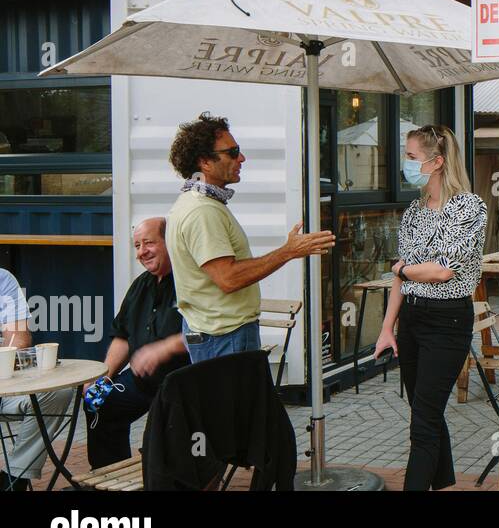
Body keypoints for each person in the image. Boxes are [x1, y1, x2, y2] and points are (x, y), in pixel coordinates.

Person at [165, 112, 335, 363]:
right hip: (225, 336)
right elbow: (228, 278)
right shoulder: (202, 210)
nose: (241, 158)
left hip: (218, 334)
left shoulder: (197, 202)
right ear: (205, 162)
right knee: (234, 403)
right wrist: (288, 251)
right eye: (232, 152)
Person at [375, 124, 486, 491]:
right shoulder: (414, 211)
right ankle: (443, 482)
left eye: (411, 157)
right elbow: (402, 279)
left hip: (448, 319)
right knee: (427, 413)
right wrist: (386, 328)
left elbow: (441, 271)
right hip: (411, 320)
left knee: (422, 421)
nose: (405, 164)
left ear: (436, 162)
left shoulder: (469, 208)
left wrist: (403, 268)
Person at [84, 218, 189, 469]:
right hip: (141, 380)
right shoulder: (141, 285)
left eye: (149, 243)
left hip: (180, 383)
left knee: (157, 431)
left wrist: (164, 349)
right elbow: (122, 335)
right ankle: (108, 476)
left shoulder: (191, 282)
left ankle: (161, 479)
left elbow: (206, 333)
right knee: (97, 401)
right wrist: (103, 376)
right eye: (137, 245)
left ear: (169, 242)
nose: (142, 252)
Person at [0, 270, 77, 491]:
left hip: (5, 388)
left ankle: (15, 477)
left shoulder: (2, 279)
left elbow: (19, 339)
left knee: (58, 392)